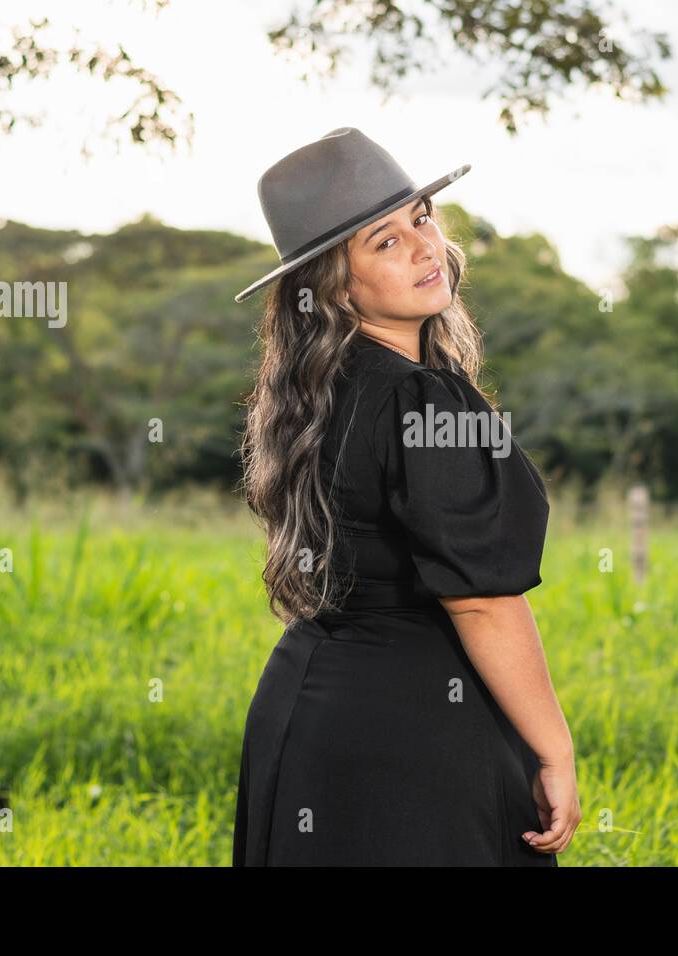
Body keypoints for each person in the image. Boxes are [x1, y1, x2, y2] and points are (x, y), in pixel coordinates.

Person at [231, 127, 579, 865]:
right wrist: (553, 747)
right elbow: (482, 599)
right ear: (335, 286)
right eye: (384, 242)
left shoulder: (315, 392)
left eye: (421, 218)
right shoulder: (423, 401)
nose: (424, 246)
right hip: (412, 731)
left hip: (304, 712)